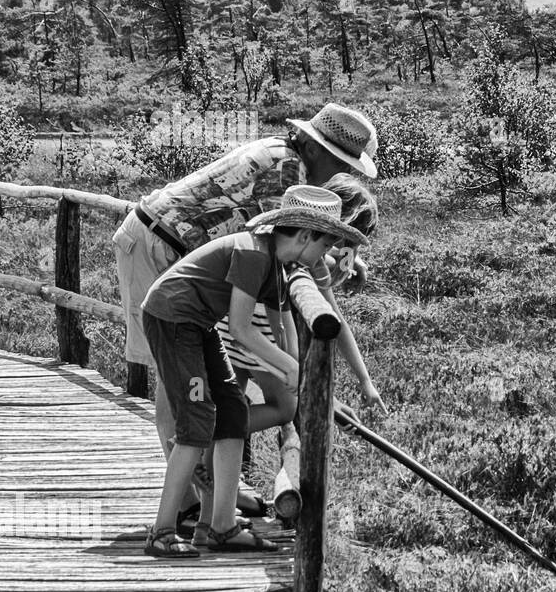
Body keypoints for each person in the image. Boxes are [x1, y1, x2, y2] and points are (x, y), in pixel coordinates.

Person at [112, 103, 379, 517]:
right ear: (316, 149)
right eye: (340, 163)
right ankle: (187, 502)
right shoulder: (288, 169)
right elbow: (287, 240)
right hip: (159, 245)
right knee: (178, 378)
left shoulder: (286, 157)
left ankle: (213, 492)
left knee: (196, 379)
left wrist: (340, 258)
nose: (339, 175)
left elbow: (294, 245)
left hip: (174, 248)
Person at [140, 185, 367, 557]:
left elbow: (281, 333)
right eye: (324, 247)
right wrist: (300, 376)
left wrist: (318, 391)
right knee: (197, 423)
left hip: (200, 324)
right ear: (306, 236)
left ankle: (221, 528)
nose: (325, 256)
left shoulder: (275, 266)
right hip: (175, 320)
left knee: (232, 410)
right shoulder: (252, 254)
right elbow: (243, 330)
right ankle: (162, 532)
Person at [194, 174, 385, 542]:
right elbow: (295, 324)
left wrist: (363, 380)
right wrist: (313, 384)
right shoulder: (305, 260)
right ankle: (209, 450)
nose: (344, 251)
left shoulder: (302, 252)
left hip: (240, 327)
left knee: (234, 404)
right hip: (255, 331)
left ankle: (209, 502)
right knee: (284, 407)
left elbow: (326, 320)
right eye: (341, 241)